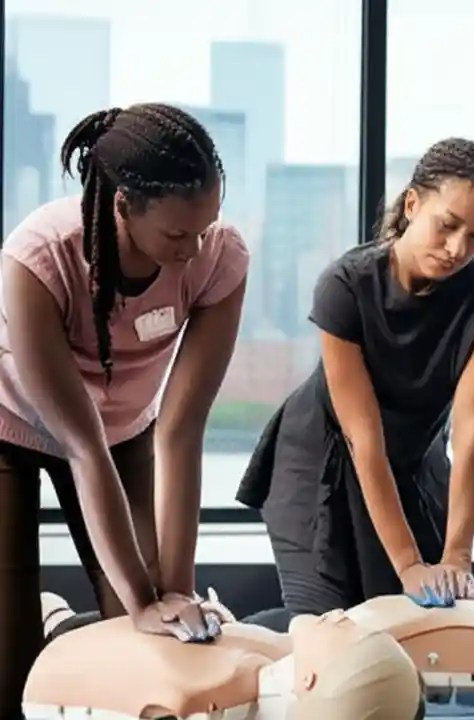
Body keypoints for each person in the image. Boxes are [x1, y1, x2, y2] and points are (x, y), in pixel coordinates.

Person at [0, 103, 249, 715]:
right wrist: (145, 600)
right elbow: (80, 444)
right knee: (9, 662)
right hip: (10, 424)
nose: (193, 249)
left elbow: (182, 430)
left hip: (125, 430)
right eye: (175, 235)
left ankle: (71, 628)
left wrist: (174, 594)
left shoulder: (219, 257)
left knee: (150, 642)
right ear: (121, 208)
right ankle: (48, 626)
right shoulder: (38, 258)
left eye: (204, 227)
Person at [236, 138, 474, 627]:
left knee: (416, 625)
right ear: (412, 204)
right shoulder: (345, 286)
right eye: (447, 226)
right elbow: (364, 439)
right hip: (320, 459)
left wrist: (458, 559)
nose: (457, 249)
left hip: (411, 461)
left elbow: (469, 436)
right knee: (331, 628)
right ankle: (230, 635)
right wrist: (407, 564)